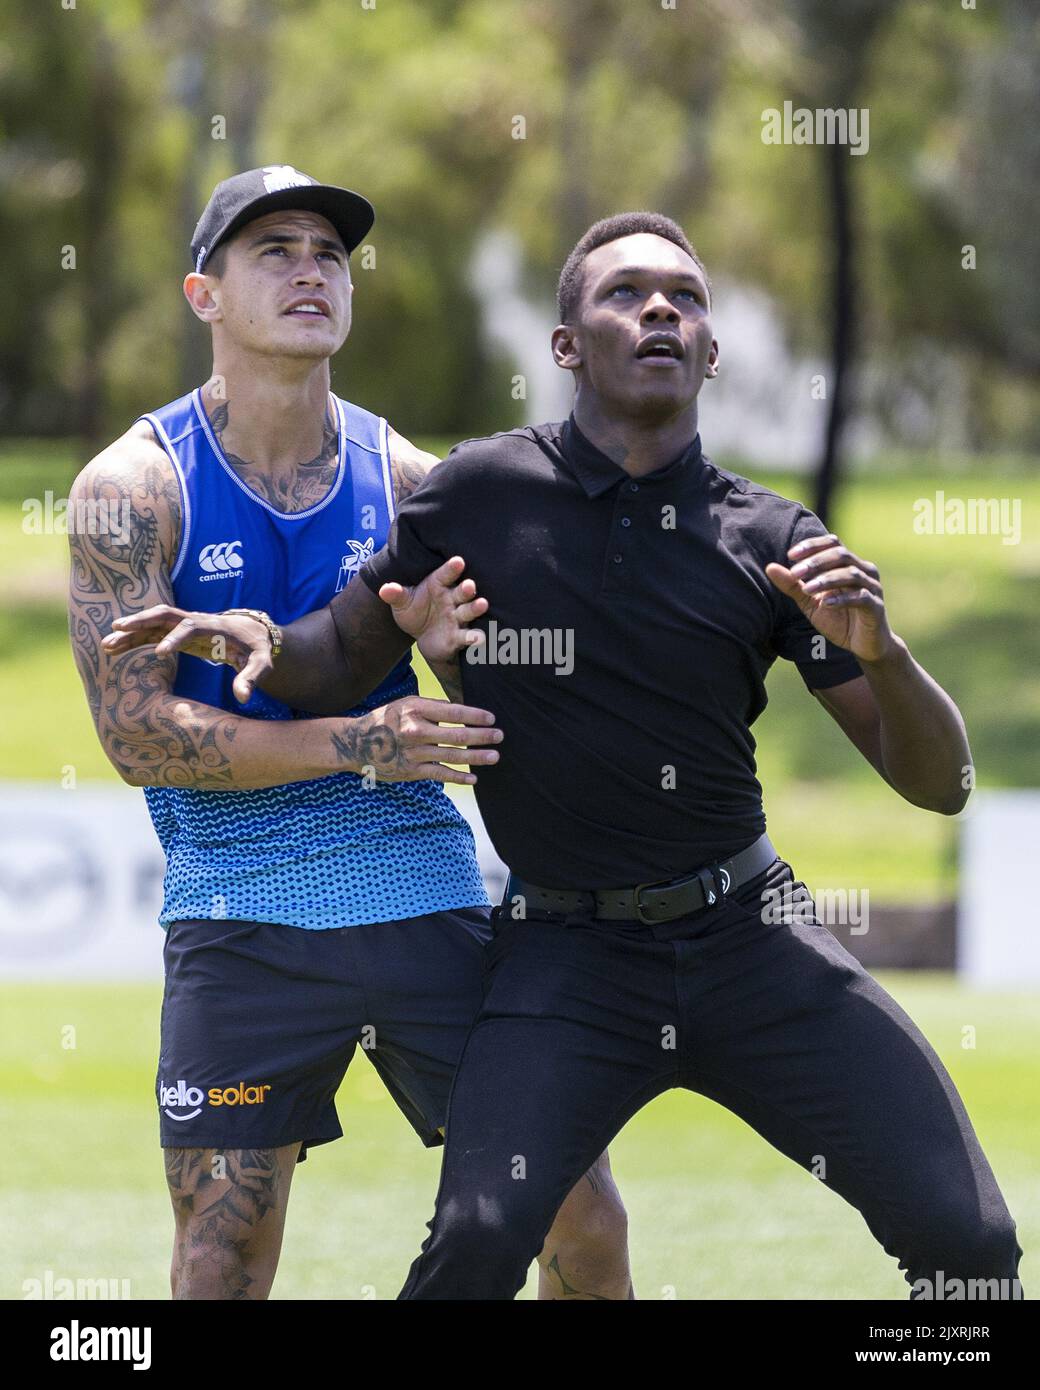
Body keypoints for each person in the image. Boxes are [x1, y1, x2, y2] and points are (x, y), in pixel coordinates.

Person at [108, 210, 1023, 1302]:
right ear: (564, 347)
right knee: (475, 1251)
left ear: (710, 351)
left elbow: (939, 783)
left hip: (749, 938)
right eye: (625, 293)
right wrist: (266, 636)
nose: (659, 311)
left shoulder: (775, 542)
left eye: (684, 298)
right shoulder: (474, 496)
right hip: (565, 961)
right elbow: (344, 652)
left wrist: (887, 655)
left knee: (969, 1247)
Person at [71, 166, 632, 1300]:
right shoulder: (129, 489)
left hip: (425, 898)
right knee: (221, 1257)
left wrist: (450, 650)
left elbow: (503, 706)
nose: (310, 270)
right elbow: (137, 738)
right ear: (203, 295)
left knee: (579, 1219)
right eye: (272, 250)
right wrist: (355, 741)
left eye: (329, 253)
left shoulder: (412, 481)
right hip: (239, 917)